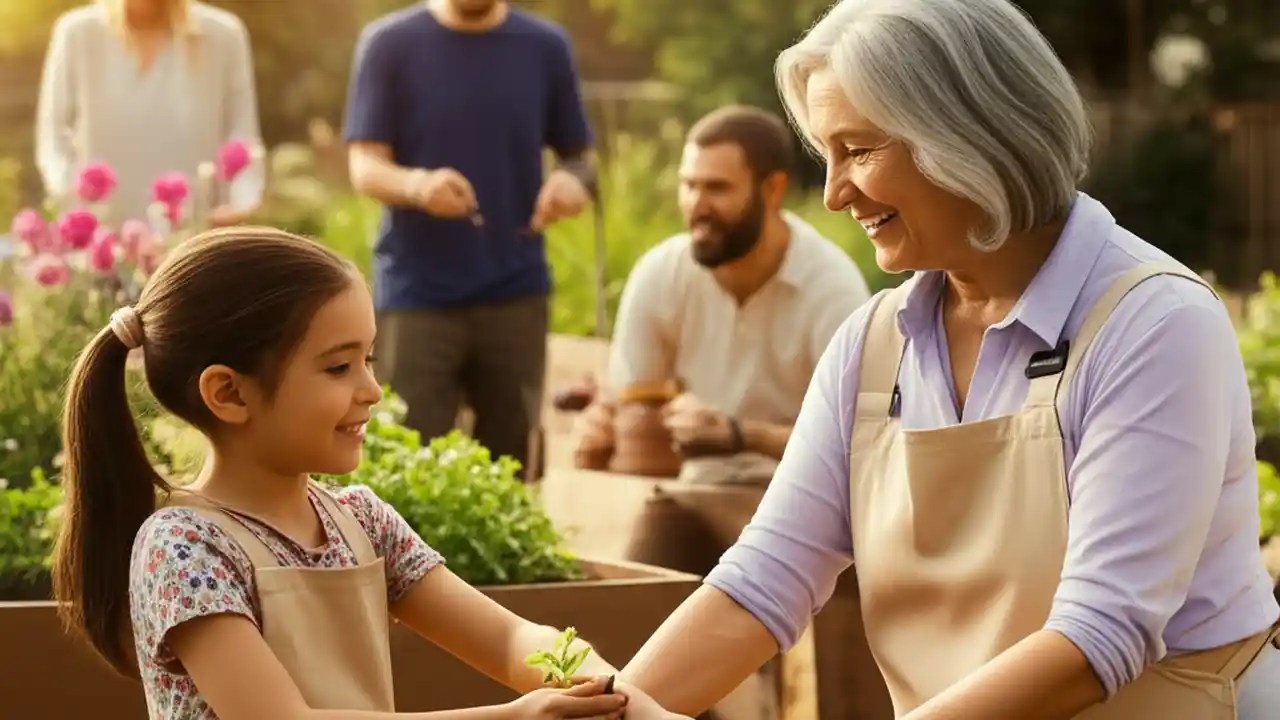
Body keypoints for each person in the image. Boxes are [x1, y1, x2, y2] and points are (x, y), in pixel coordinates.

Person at [616, 1, 1280, 719]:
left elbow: (1099, 637)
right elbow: (763, 581)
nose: (834, 194)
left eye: (859, 151)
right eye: (826, 155)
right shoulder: (872, 346)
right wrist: (610, 711)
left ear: (968, 135)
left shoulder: (1153, 326)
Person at [49, 226, 687, 719]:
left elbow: (512, 640)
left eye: (370, 358)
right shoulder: (184, 547)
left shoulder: (360, 520)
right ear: (229, 394)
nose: (373, 390)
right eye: (337, 368)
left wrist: (624, 697)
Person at [344, 0, 596, 478]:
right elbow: (365, 164)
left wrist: (573, 183)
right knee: (409, 463)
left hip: (516, 290)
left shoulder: (545, 46)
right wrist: (418, 186)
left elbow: (580, 158)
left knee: (513, 464)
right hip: (417, 292)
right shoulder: (389, 43)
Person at [571, 105, 871, 486]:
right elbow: (634, 414)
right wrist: (601, 433)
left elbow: (857, 442)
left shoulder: (830, 287)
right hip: (690, 491)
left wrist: (742, 436)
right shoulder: (662, 273)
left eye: (716, 188)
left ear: (772, 189)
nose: (697, 205)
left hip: (801, 497)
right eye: (688, 185)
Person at [36, 0, 264, 225]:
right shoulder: (78, 33)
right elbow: (53, 135)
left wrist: (240, 202)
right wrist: (69, 195)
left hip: (193, 233)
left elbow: (242, 137)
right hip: (103, 235)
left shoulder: (222, 35)